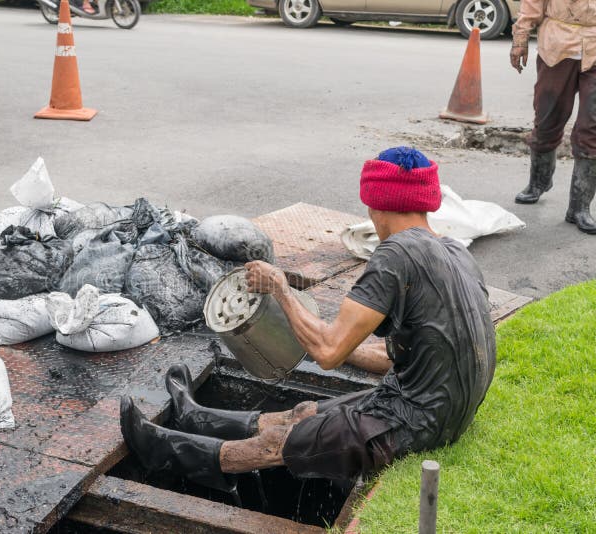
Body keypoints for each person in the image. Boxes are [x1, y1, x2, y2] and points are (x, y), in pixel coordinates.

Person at [120, 147, 497, 492]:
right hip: (446, 411)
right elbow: (389, 358)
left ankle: (165, 452)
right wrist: (338, 345)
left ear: (376, 203)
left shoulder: (395, 255)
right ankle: (195, 417)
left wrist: (281, 289)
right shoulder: (454, 252)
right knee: (302, 413)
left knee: (277, 444)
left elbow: (329, 352)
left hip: (417, 424)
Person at [511, 1, 596, 234]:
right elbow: (531, 5)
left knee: (593, 127)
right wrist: (520, 39)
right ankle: (539, 182)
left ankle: (579, 207)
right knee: (548, 120)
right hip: (558, 47)